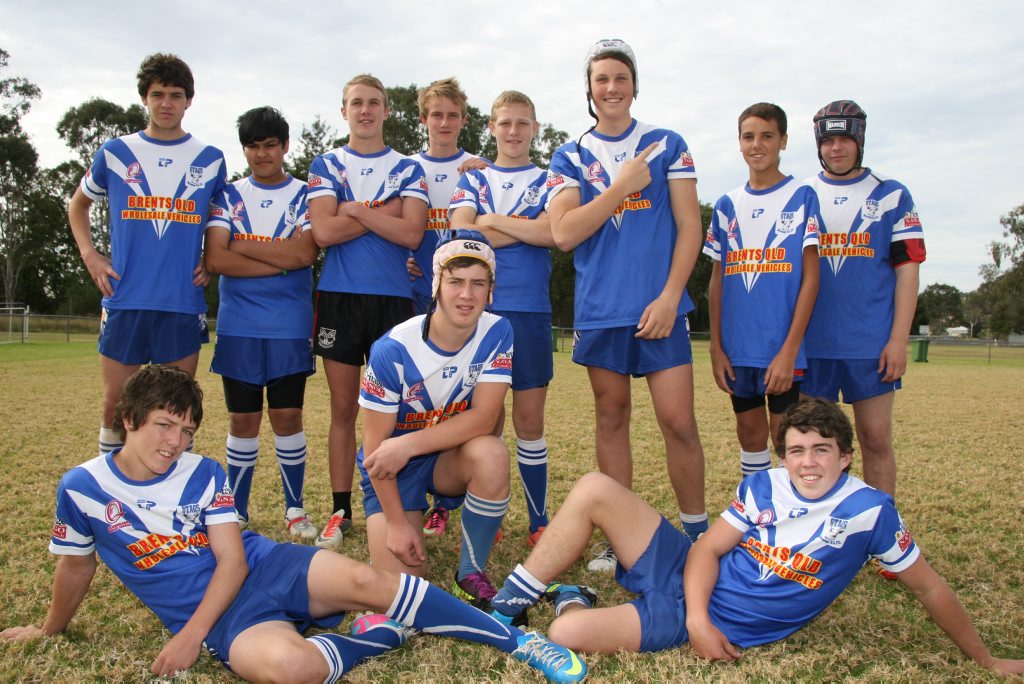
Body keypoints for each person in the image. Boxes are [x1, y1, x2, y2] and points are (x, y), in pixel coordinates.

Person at [0, 365, 587, 683]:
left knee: (368, 583)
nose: (174, 443)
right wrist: (50, 629)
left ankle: (518, 641)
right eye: (162, 426)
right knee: (290, 668)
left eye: (185, 431)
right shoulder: (81, 489)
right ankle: (375, 637)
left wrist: (185, 638)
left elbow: (233, 560)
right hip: (228, 620)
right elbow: (76, 567)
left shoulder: (202, 472)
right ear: (126, 420)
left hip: (263, 567)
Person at [486, 398, 1024, 678]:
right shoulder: (764, 484)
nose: (807, 463)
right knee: (595, 488)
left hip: (718, 618)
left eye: (821, 450)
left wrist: (985, 659)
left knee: (566, 638)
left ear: (845, 456)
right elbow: (710, 548)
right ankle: (513, 596)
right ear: (782, 455)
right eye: (796, 451)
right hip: (692, 582)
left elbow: (929, 588)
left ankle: (573, 601)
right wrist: (697, 617)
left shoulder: (869, 512)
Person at [546, 39, 708, 571]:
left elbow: (690, 226)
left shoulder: (666, 144)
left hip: (660, 309)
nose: (611, 88)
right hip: (601, 311)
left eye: (620, 77)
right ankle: (623, 540)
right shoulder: (569, 154)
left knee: (678, 422)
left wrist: (669, 297)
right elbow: (565, 232)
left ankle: (698, 535)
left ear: (634, 85)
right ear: (589, 91)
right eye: (601, 80)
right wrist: (618, 188)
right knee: (611, 418)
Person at [68, 53, 226, 457]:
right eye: (158, 94)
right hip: (125, 299)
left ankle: (171, 500)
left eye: (176, 94)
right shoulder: (117, 152)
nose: (166, 103)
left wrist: (211, 257)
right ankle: (110, 495)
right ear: (145, 98)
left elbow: (224, 219)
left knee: (178, 410)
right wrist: (90, 255)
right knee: (116, 405)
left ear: (189, 100)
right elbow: (77, 205)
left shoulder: (210, 159)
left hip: (180, 301)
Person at [358, 231, 516, 612]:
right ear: (436, 286)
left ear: (491, 291)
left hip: (440, 455)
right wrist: (396, 524)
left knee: (492, 453)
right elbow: (376, 453)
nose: (467, 295)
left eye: (478, 283)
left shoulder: (498, 331)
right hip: (392, 469)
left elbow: (485, 417)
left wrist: (409, 443)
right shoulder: (391, 350)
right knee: (405, 592)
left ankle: (471, 571)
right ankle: (406, 518)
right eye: (456, 282)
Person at [307, 74, 428, 549]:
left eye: (374, 103)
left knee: (396, 413)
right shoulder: (326, 163)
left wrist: (353, 210)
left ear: (386, 110)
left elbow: (412, 234)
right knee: (343, 409)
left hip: (394, 301)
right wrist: (383, 211)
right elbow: (322, 233)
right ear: (344, 111)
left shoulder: (408, 167)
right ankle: (341, 511)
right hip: (339, 296)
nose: (365, 111)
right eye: (356, 103)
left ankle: (393, 506)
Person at [801, 100, 926, 502]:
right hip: (812, 347)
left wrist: (898, 340)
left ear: (860, 141)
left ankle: (883, 534)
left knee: (874, 439)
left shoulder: (892, 195)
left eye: (845, 139)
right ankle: (818, 531)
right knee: (814, 446)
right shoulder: (802, 195)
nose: (837, 148)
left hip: (870, 345)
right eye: (829, 140)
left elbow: (908, 270)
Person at [204, 106, 319, 538]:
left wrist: (244, 249)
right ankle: (237, 511)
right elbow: (216, 258)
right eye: (253, 145)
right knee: (243, 422)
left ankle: (294, 509)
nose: (262, 153)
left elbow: (305, 254)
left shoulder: (308, 195)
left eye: (270, 144)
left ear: (284, 146)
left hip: (289, 326)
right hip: (238, 327)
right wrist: (282, 257)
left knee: (288, 417)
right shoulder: (227, 196)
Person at [448, 90, 554, 547]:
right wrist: (524, 225)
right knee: (479, 422)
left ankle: (538, 521)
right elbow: (461, 232)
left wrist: (494, 222)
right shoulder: (474, 176)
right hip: (477, 312)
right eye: (505, 123)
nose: (514, 132)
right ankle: (471, 513)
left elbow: (555, 232)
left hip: (530, 311)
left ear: (535, 128)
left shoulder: (553, 179)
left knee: (529, 423)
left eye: (522, 123)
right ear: (491, 127)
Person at [704, 103, 820, 478]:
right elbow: (717, 279)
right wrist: (717, 346)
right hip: (739, 348)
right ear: (739, 143)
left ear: (783, 141)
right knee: (750, 434)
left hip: (780, 348)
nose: (758, 145)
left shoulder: (802, 196)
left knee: (785, 437)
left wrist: (789, 351)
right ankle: (756, 516)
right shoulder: (726, 205)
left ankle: (792, 520)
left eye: (767, 136)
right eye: (749, 136)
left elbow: (811, 279)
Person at [409, 77, 487, 538]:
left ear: (463, 119)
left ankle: (449, 499)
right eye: (435, 114)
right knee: (418, 400)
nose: (443, 122)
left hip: (461, 300)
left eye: (452, 114)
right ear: (423, 119)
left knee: (460, 399)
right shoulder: (406, 168)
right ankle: (412, 493)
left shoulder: (477, 169)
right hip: (417, 296)